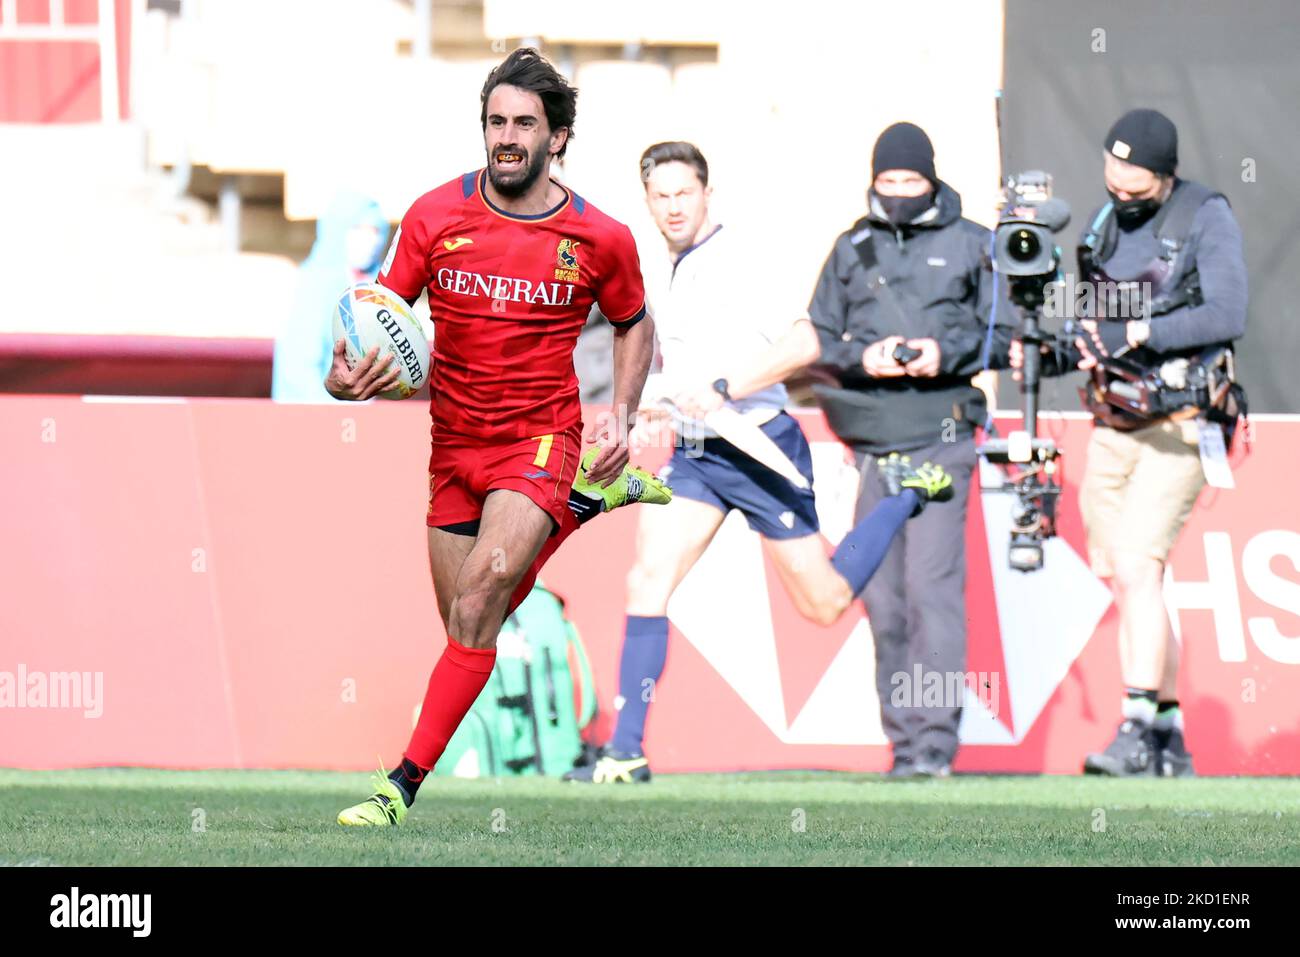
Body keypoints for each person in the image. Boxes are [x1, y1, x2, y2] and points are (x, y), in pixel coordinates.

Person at [327, 48, 672, 826]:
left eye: (524, 123)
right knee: (467, 621)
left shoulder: (600, 236)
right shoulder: (432, 215)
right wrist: (340, 376)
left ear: (558, 138)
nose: (506, 137)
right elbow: (375, 322)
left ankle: (399, 786)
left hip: (539, 439)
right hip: (453, 444)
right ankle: (586, 503)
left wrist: (617, 408)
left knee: (482, 597)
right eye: (495, 122)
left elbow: (633, 323)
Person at [564, 141, 954, 785]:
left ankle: (907, 496)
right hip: (697, 452)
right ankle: (625, 753)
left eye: (684, 192)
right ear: (649, 203)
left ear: (707, 194)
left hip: (759, 446)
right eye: (661, 196)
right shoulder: (663, 265)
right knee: (646, 580)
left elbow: (806, 341)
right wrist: (657, 404)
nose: (673, 206)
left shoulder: (738, 257)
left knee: (824, 603)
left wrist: (722, 388)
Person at [1018, 108, 1247, 777]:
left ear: (1165, 175)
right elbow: (1096, 334)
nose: (1119, 186)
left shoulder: (1206, 215)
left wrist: (1142, 332)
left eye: (1133, 178)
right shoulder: (1101, 227)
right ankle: (1170, 736)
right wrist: (1048, 354)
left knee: (1142, 565)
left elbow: (1227, 313)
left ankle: (1137, 726)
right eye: (1111, 171)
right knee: (1127, 576)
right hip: (1115, 423)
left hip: (1181, 423)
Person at [809, 122, 1015, 779]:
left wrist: (942, 354)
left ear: (933, 179)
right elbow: (812, 341)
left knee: (932, 592)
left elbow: (1006, 335)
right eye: (888, 182)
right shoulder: (851, 247)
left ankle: (934, 745)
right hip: (873, 443)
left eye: (911, 181)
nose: (898, 193)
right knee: (886, 600)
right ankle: (903, 744)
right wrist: (860, 356)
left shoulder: (974, 243)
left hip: (943, 434)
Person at [271, 190, 390, 402]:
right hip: (317, 414)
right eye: (358, 230)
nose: (370, 241)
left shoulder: (382, 286)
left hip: (369, 418)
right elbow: (299, 368)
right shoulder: (315, 285)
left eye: (375, 231)